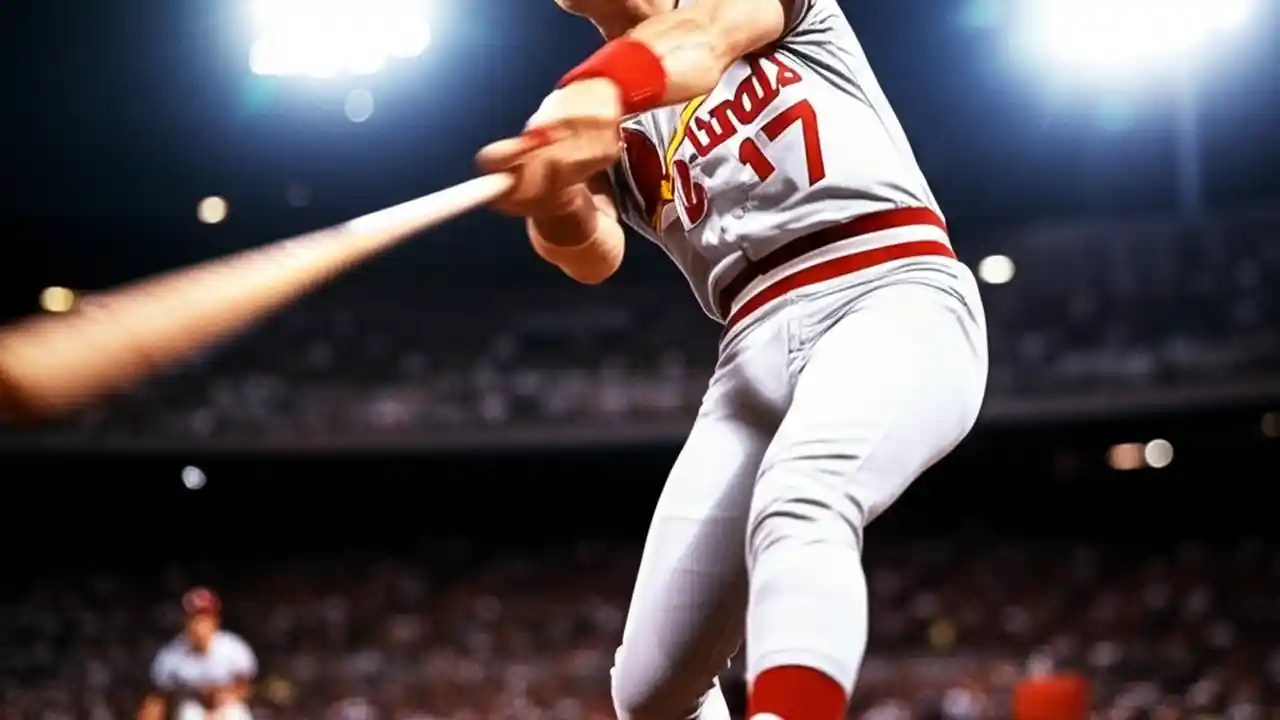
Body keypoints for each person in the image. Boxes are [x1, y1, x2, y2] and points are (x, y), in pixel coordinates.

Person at [477, 0, 989, 718]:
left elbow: (702, 38)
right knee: (650, 690)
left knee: (802, 497)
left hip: (887, 286)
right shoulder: (578, 103)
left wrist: (599, 90)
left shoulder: (667, 41)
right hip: (748, 347)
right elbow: (592, 255)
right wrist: (553, 195)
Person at [138, 587, 258, 720]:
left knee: (236, 714)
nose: (199, 624)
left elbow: (248, 686)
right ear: (184, 622)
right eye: (194, 618)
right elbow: (157, 698)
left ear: (215, 621)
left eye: (205, 617)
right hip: (192, 707)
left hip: (226, 705)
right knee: (189, 713)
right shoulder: (170, 656)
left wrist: (223, 695)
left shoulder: (234, 648)